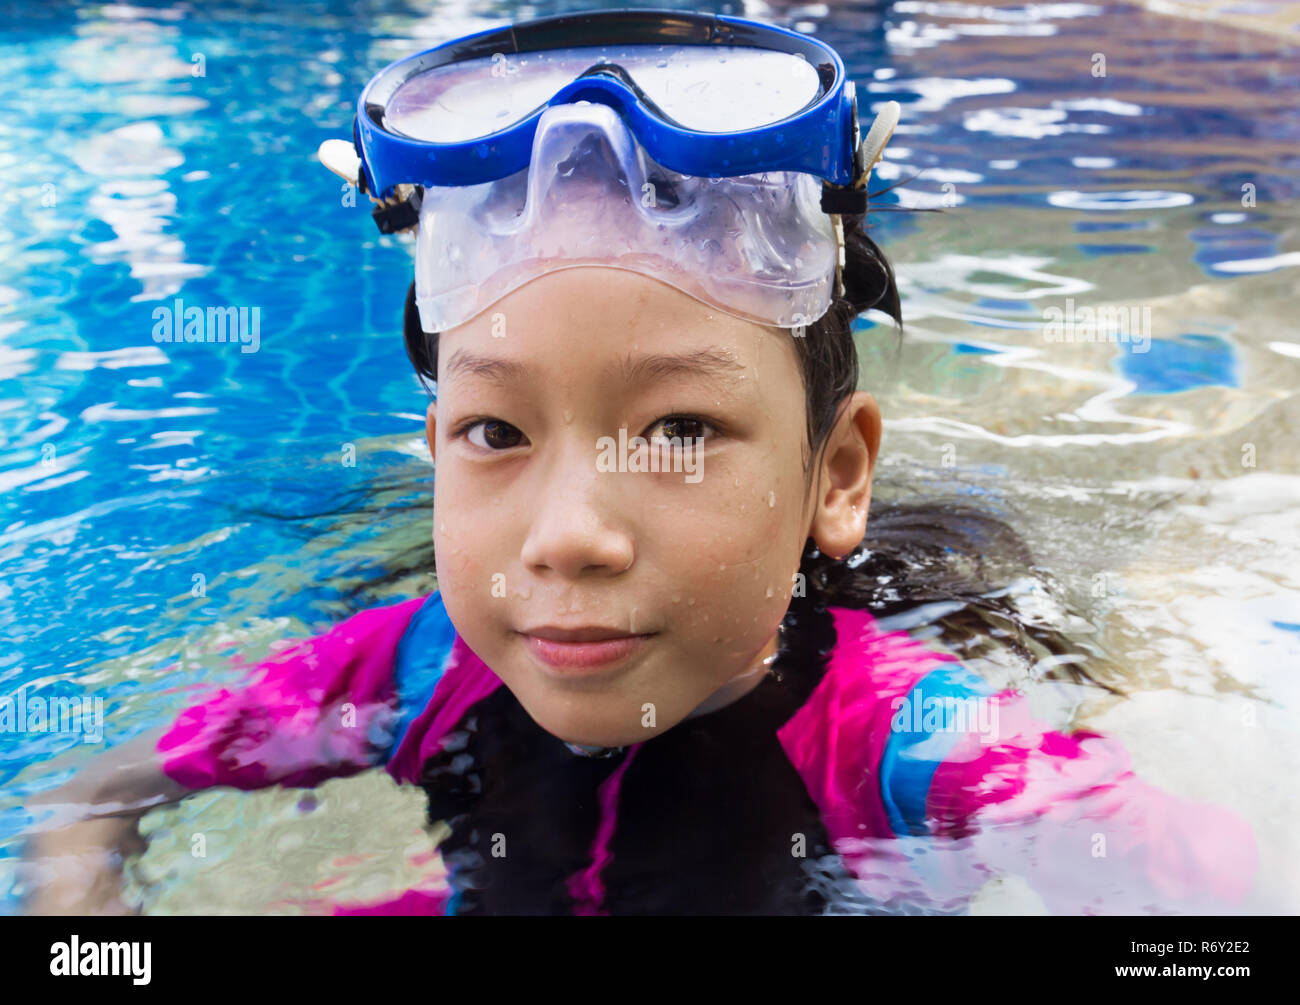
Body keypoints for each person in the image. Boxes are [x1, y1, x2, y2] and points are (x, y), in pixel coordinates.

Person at [22, 9, 1256, 916]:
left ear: (834, 480)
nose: (567, 534)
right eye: (494, 433)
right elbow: (92, 798)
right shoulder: (405, 669)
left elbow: (1204, 899)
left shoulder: (904, 732)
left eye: (678, 433)